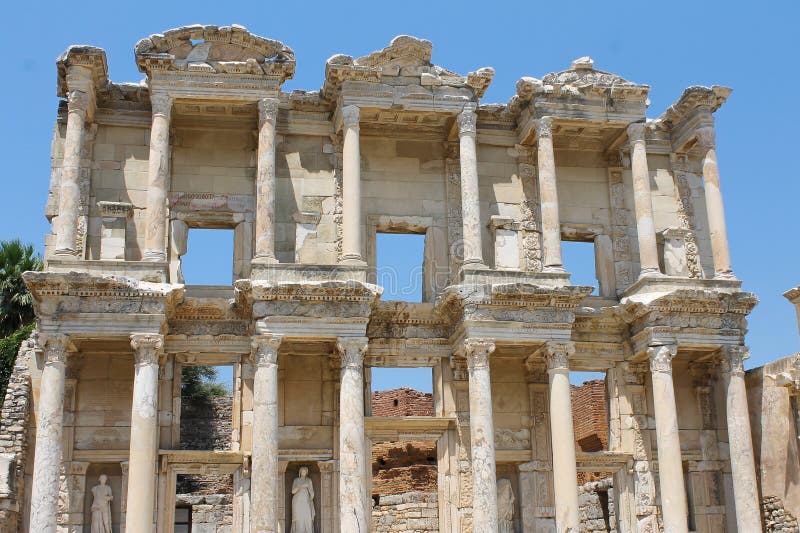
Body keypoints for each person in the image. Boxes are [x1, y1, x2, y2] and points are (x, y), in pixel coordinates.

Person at [291, 466, 315, 533]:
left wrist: (311, 497)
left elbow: (312, 492)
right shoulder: (296, 480)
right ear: (300, 472)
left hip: (306, 501)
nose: (303, 472)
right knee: (299, 518)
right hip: (297, 501)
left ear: (306, 472)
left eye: (305, 471)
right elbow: (293, 491)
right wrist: (301, 486)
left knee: (308, 518)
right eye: (302, 471)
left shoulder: (308, 480)